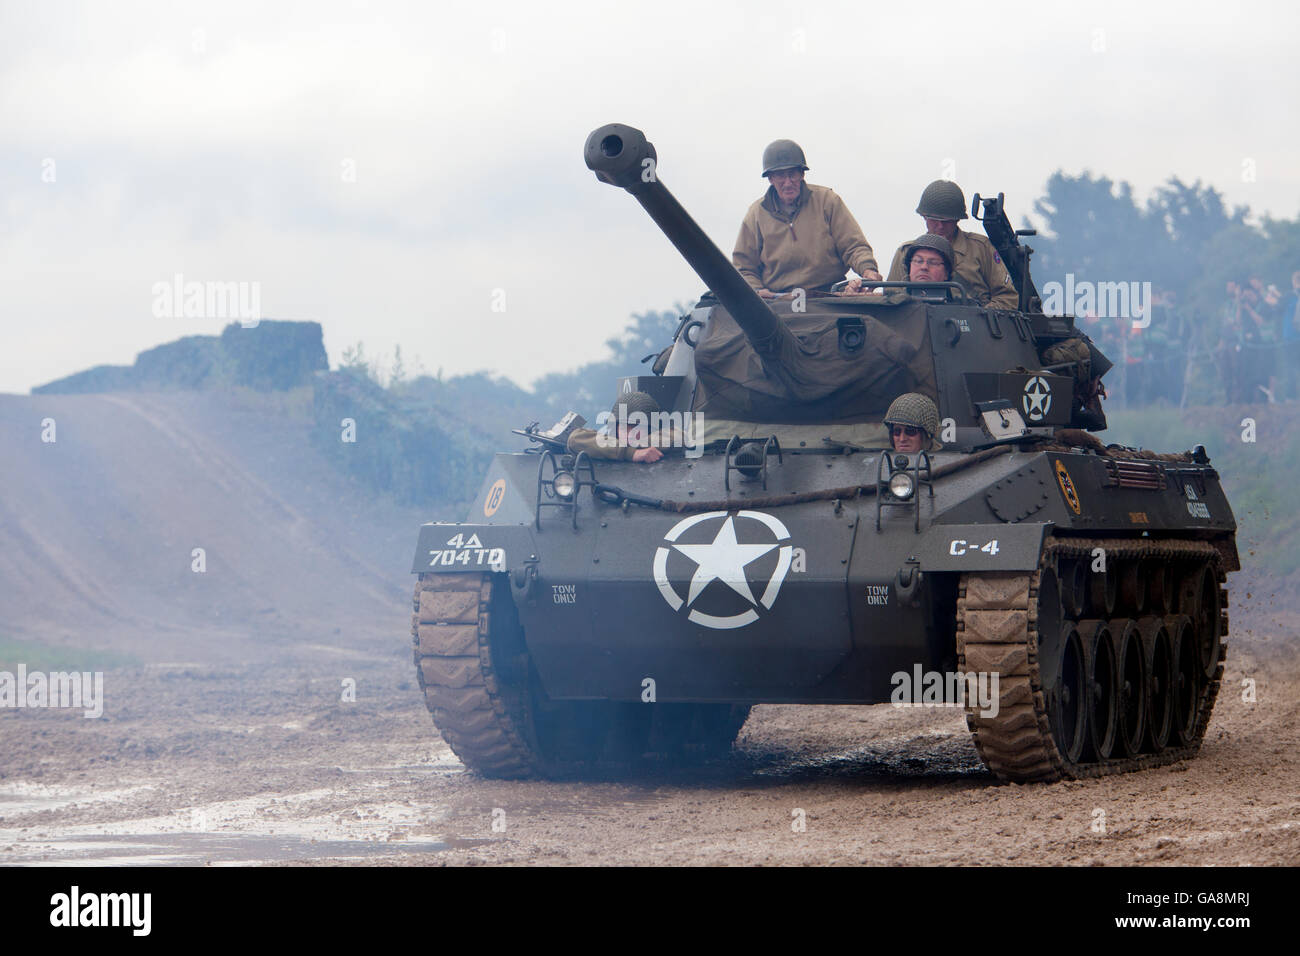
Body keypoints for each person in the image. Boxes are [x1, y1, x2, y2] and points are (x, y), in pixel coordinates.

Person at [732, 139, 882, 298]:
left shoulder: (827, 201)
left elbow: (853, 246)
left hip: (830, 296)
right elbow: (744, 267)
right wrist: (757, 294)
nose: (788, 183)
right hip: (778, 302)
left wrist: (868, 270)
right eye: (781, 176)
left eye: (792, 174)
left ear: (802, 174)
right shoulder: (756, 214)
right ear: (770, 178)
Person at [886, 180, 1019, 310]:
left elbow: (1007, 298)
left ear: (957, 219)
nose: (940, 226)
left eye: (947, 221)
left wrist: (979, 317)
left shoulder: (980, 248)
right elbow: (890, 299)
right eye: (934, 220)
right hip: (916, 326)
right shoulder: (906, 252)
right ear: (924, 217)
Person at [567, 391, 668, 462]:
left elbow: (678, 436)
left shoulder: (659, 440)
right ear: (615, 428)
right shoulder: (606, 444)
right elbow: (575, 439)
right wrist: (631, 453)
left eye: (637, 428)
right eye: (624, 427)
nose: (630, 434)